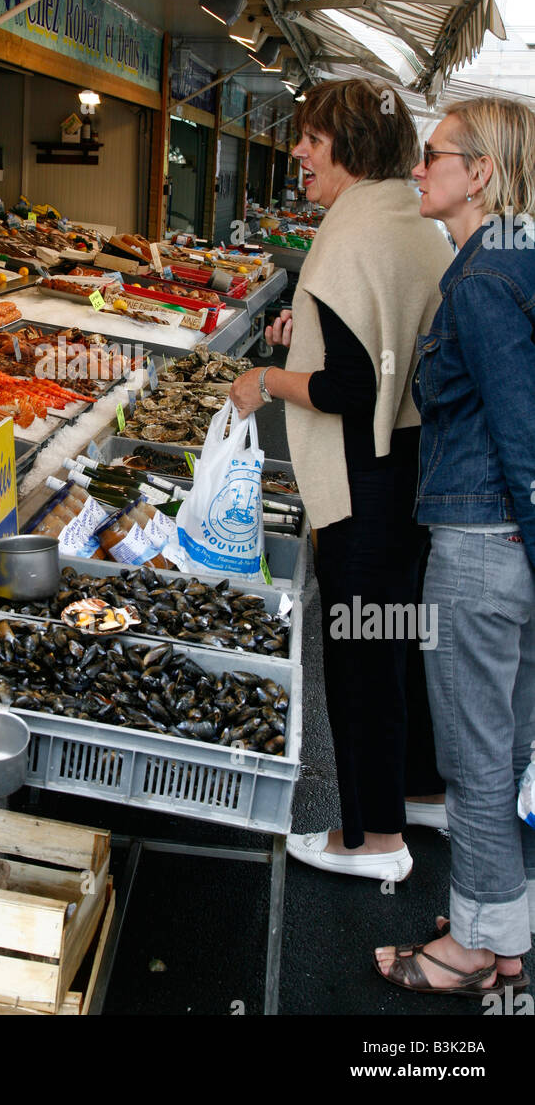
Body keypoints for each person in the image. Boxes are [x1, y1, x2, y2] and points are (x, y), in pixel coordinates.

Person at [230, 77, 451, 882]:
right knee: (398, 646)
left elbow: (353, 389)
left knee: (361, 657)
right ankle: (421, 792)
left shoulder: (353, 233)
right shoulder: (405, 218)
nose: (297, 152)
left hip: (367, 483)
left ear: (349, 147)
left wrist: (269, 381)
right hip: (412, 477)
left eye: (311, 140)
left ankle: (372, 839)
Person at [375, 96, 535, 997]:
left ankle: (473, 952)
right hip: (507, 541)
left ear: (478, 173)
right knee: (504, 749)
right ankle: (496, 921)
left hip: (483, 544)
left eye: (433, 154)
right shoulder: (515, 260)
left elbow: (520, 431)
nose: (418, 168)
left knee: (474, 757)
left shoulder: (480, 282)